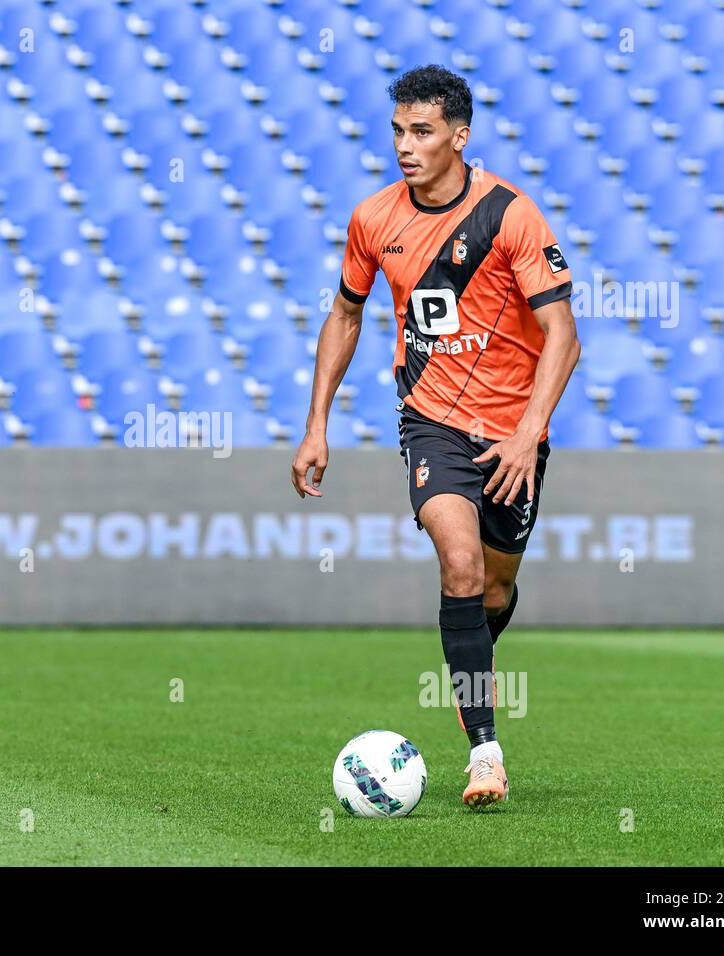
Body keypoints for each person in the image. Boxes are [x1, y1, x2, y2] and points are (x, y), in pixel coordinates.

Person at [290, 66, 581, 809]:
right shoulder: (372, 220)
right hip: (431, 424)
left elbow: (562, 336)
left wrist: (528, 433)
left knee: (494, 586)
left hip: (513, 432)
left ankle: (470, 661)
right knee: (457, 564)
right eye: (397, 130)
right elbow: (346, 315)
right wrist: (316, 424)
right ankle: (486, 752)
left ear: (460, 135)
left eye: (421, 132)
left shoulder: (511, 215)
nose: (404, 146)